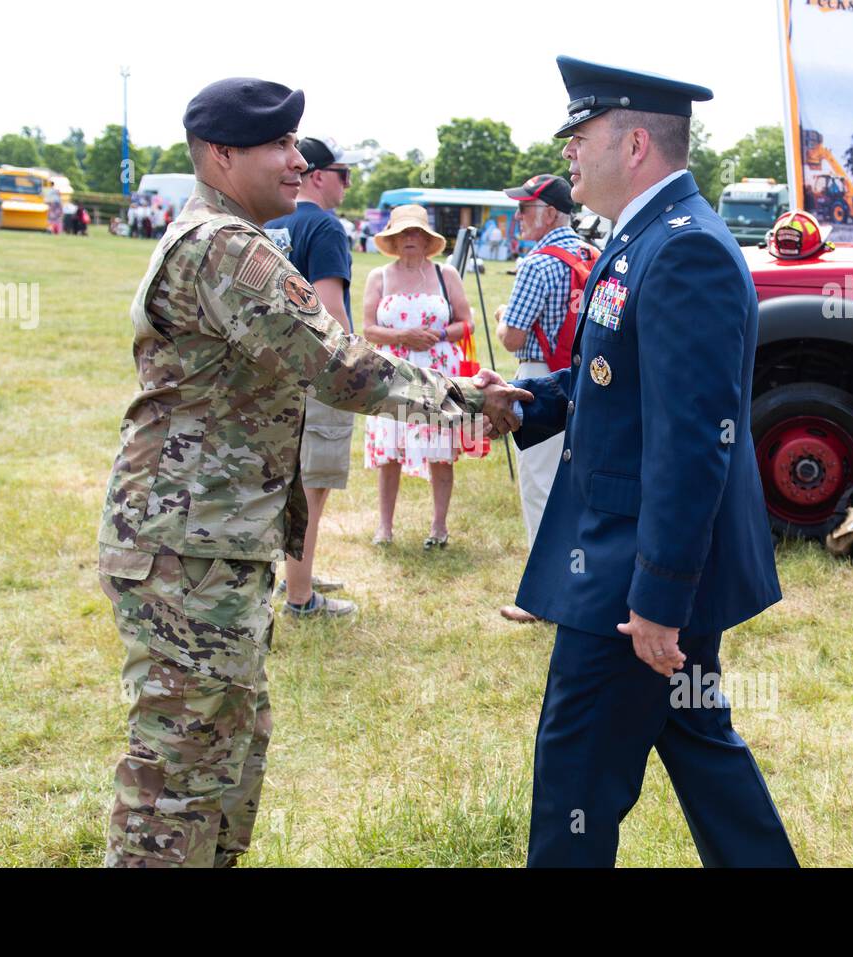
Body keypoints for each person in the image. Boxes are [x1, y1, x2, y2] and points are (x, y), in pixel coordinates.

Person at [96, 75, 529, 868]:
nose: (299, 162)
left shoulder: (225, 236)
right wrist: (469, 398)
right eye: (280, 145)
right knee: (179, 780)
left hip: (209, 542)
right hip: (185, 550)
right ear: (223, 156)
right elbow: (341, 368)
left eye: (298, 144)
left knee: (227, 750)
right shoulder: (226, 248)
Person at [508, 55, 798, 868]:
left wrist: (661, 600)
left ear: (633, 143)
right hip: (638, 561)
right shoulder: (647, 233)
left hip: (632, 576)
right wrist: (530, 400)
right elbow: (621, 381)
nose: (569, 151)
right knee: (703, 749)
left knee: (574, 779)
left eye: (581, 133)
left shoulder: (682, 250)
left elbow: (694, 439)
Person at [264, 136, 362, 618]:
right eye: (344, 174)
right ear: (319, 176)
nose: (347, 184)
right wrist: (352, 368)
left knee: (287, 485)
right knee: (311, 489)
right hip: (316, 375)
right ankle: (300, 598)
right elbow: (330, 313)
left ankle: (295, 575)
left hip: (271, 373)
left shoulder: (268, 219)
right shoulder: (323, 225)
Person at [493, 173, 588, 623]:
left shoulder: (537, 262)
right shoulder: (591, 253)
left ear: (549, 212)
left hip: (541, 382)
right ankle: (581, 585)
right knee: (578, 489)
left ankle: (546, 597)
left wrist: (500, 319)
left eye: (524, 209)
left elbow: (512, 339)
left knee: (541, 489)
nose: (517, 218)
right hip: (589, 380)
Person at [362, 204, 476, 548]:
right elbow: (368, 329)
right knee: (390, 450)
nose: (410, 238)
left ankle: (439, 528)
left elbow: (466, 323)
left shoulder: (446, 275)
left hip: (438, 371)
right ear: (393, 240)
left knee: (440, 449)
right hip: (392, 373)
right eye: (403, 233)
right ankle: (385, 527)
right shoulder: (379, 276)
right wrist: (401, 337)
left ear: (428, 240)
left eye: (416, 233)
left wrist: (438, 335)